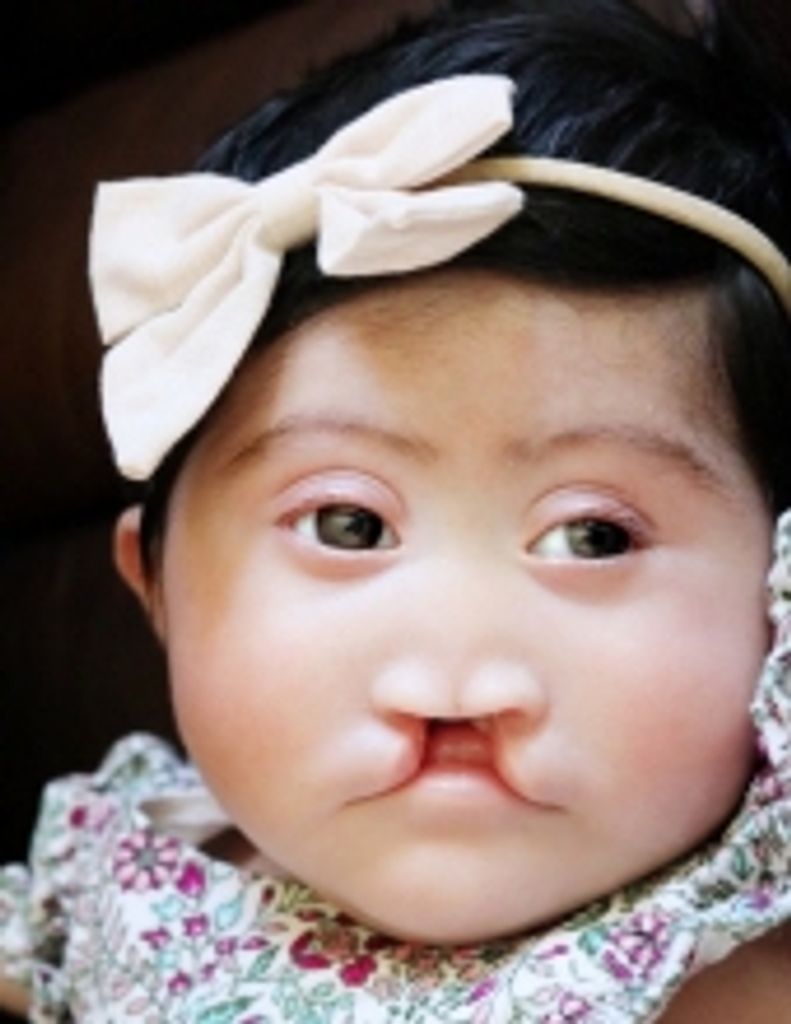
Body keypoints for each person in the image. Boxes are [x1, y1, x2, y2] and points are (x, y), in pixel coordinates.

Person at [2, 0, 790, 1019]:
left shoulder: (722, 967)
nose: (453, 674)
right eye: (349, 525)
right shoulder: (120, 863)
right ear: (155, 589)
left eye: (592, 537)